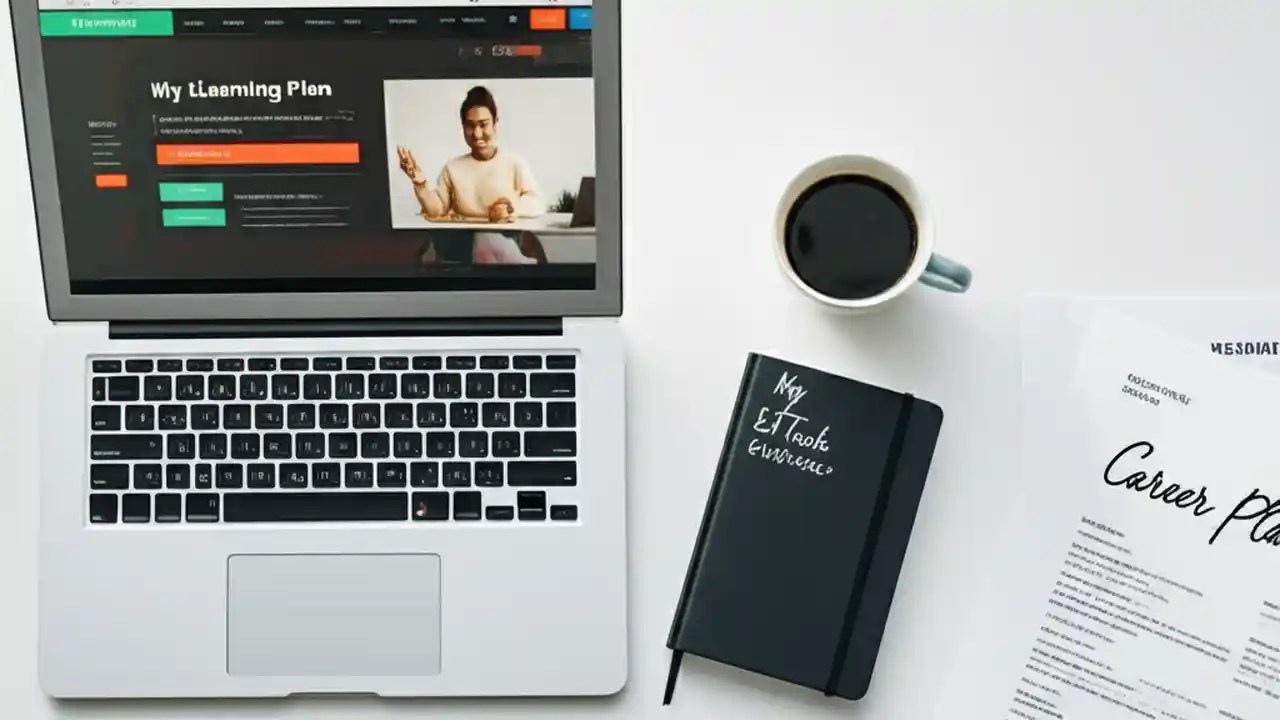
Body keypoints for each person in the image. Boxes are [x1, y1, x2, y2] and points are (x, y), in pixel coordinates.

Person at [396, 86, 546, 265]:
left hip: (506, 240)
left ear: (495, 122)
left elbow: (537, 202)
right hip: (462, 247)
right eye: (470, 126)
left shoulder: (515, 163)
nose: (477, 134)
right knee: (481, 237)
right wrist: (420, 184)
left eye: (483, 125)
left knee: (491, 238)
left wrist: (510, 209)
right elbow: (437, 210)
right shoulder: (453, 168)